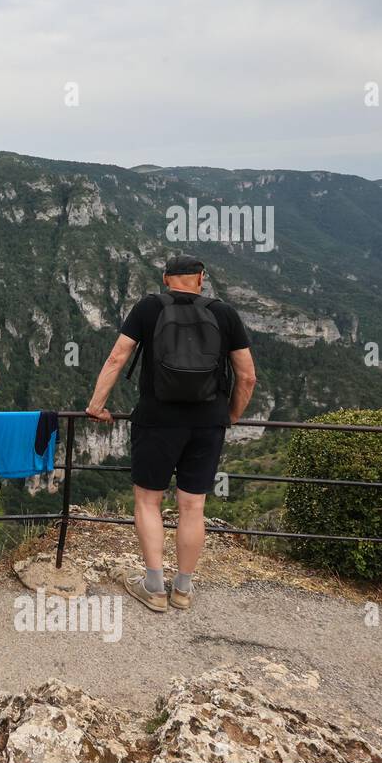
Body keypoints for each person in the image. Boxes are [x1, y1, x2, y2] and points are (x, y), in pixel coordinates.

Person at [85, 255, 257, 612]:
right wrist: (231, 415)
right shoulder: (224, 313)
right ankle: (182, 589)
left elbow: (117, 358)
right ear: (201, 279)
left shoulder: (149, 307)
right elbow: (247, 376)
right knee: (193, 506)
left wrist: (97, 404)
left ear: (166, 279)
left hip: (157, 418)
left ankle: (153, 587)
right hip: (208, 421)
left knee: (148, 501)